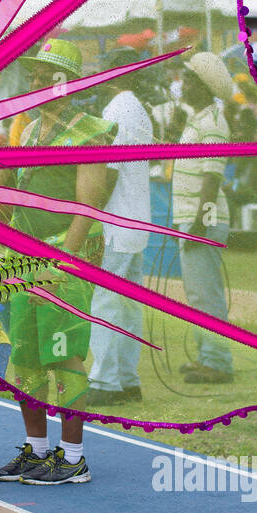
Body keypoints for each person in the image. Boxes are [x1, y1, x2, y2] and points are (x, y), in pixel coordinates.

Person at [0, 39, 111, 485]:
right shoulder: (29, 127)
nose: (36, 80)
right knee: (25, 356)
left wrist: (60, 262)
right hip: (21, 258)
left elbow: (89, 205)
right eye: (35, 73)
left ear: (70, 83)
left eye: (46, 74)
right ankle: (38, 451)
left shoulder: (92, 132)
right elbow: (5, 194)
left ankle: (73, 457)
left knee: (65, 355)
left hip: (64, 259)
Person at [87, 68, 151, 407]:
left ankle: (105, 381)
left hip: (116, 221)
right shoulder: (139, 110)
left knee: (106, 303)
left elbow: (109, 171)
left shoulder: (116, 110)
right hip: (137, 220)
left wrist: (90, 211)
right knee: (127, 307)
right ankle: (128, 379)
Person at [171, 51, 235, 380]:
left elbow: (212, 179)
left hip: (204, 220)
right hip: (192, 218)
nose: (183, 85)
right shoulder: (197, 121)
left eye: (189, 80)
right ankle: (206, 355)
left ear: (203, 86)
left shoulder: (212, 123)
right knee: (196, 294)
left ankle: (218, 362)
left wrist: (198, 224)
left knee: (205, 293)